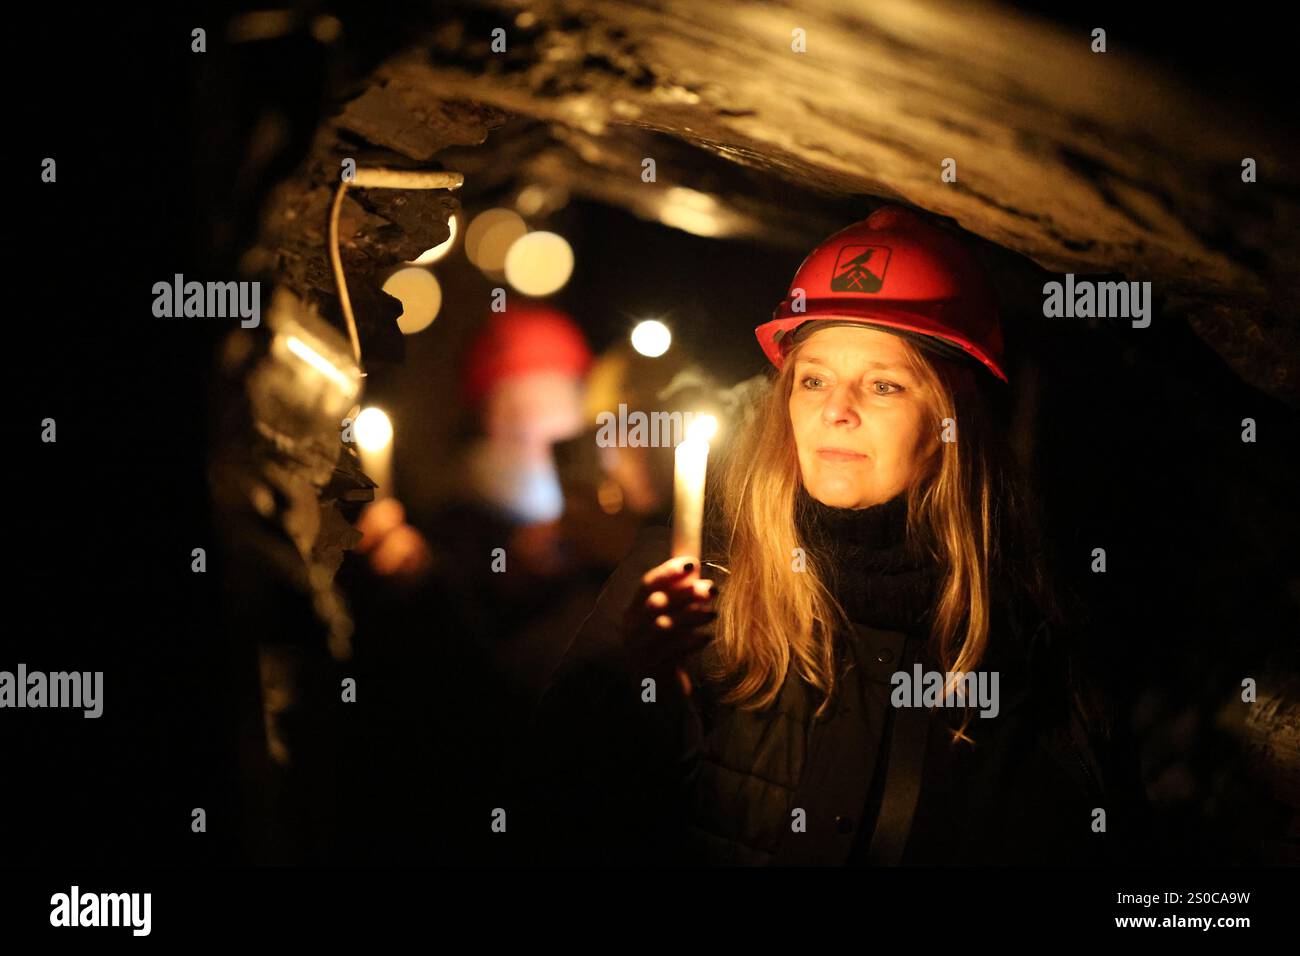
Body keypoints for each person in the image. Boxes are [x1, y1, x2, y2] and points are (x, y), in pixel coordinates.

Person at [514, 205, 1146, 867]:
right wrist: (628, 689)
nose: (835, 411)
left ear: (950, 420)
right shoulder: (688, 582)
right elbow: (546, 815)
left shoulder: (1020, 636)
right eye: (813, 379)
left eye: (883, 385)